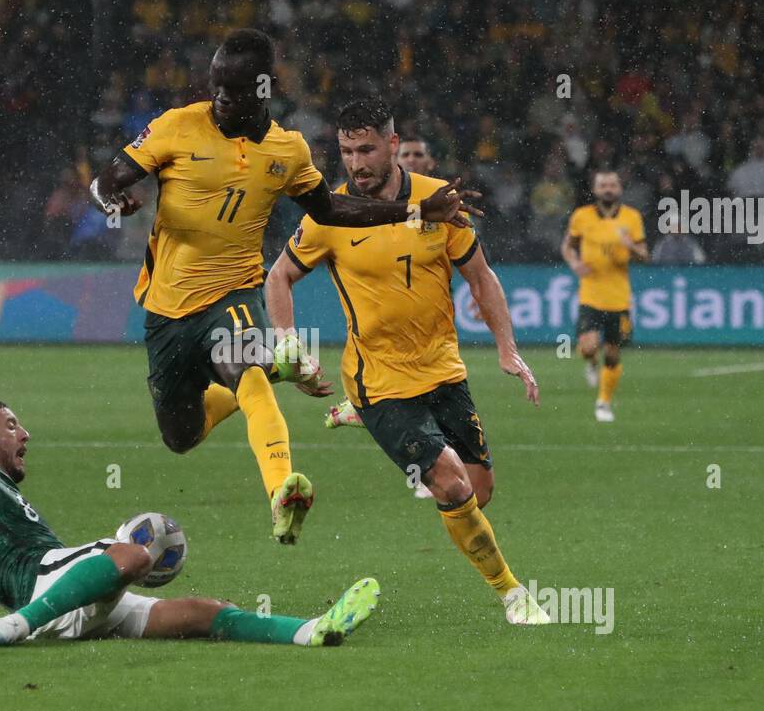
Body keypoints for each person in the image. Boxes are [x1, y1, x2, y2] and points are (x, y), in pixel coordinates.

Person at [89, 28, 478, 544]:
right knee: (179, 437)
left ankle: (282, 491)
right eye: (216, 87)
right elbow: (103, 182)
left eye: (235, 90)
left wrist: (415, 210)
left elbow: (332, 209)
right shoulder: (176, 127)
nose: (221, 99)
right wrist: (113, 202)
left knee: (246, 371)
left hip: (234, 292)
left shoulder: (288, 150)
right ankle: (269, 371)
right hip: (167, 307)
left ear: (264, 90)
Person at [264, 98, 548, 626]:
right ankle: (514, 596)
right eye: (347, 151)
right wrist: (288, 343)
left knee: (479, 491)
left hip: (442, 370)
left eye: (367, 148)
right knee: (452, 485)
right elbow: (277, 276)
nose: (356, 163)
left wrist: (508, 349)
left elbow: (481, 278)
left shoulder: (437, 201)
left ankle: (358, 416)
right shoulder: (330, 213)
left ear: (394, 145)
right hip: (381, 380)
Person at [0, 401, 380, 648]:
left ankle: (312, 631)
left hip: (66, 609)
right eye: (11, 425)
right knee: (133, 553)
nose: (25, 432)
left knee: (205, 612)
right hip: (44, 590)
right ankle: (15, 628)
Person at [561, 170, 648, 422]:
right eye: (603, 185)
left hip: (619, 298)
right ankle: (590, 363)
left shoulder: (632, 218)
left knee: (612, 353)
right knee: (588, 346)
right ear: (595, 189)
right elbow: (567, 245)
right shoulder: (582, 216)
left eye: (612, 184)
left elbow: (644, 255)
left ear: (619, 188)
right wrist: (574, 263)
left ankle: (603, 402)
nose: (608, 189)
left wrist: (630, 245)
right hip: (590, 294)